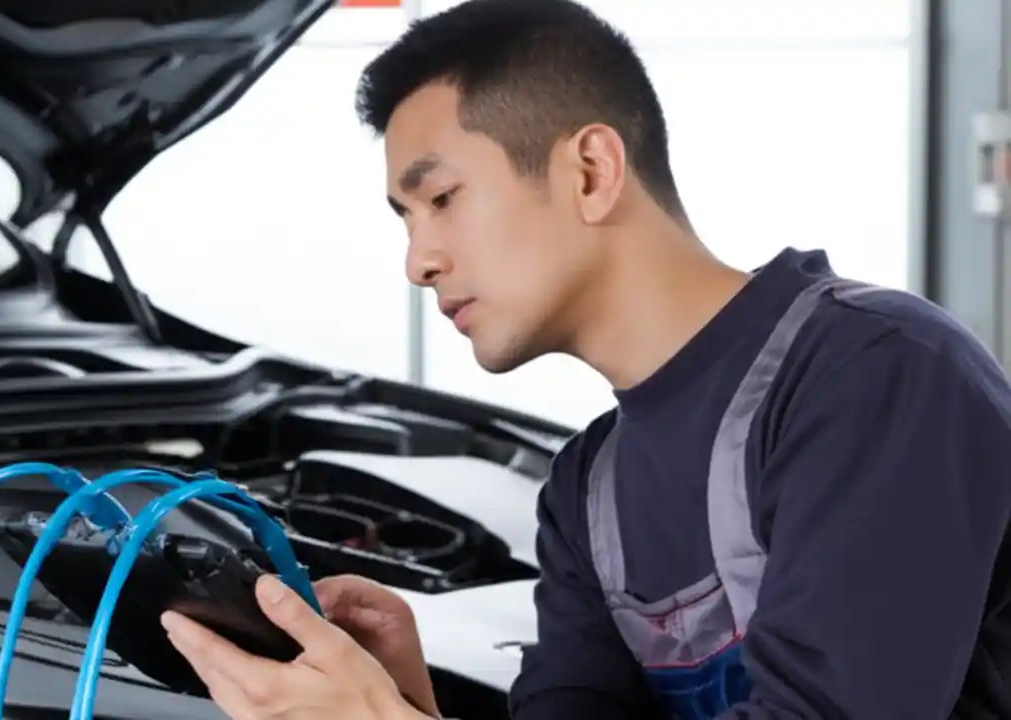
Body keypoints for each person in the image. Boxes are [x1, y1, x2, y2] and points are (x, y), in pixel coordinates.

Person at [161, 0, 1011, 717]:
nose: (417, 261)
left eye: (442, 199)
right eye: (405, 219)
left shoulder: (876, 376)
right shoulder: (588, 491)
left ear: (593, 170)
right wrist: (405, 697)